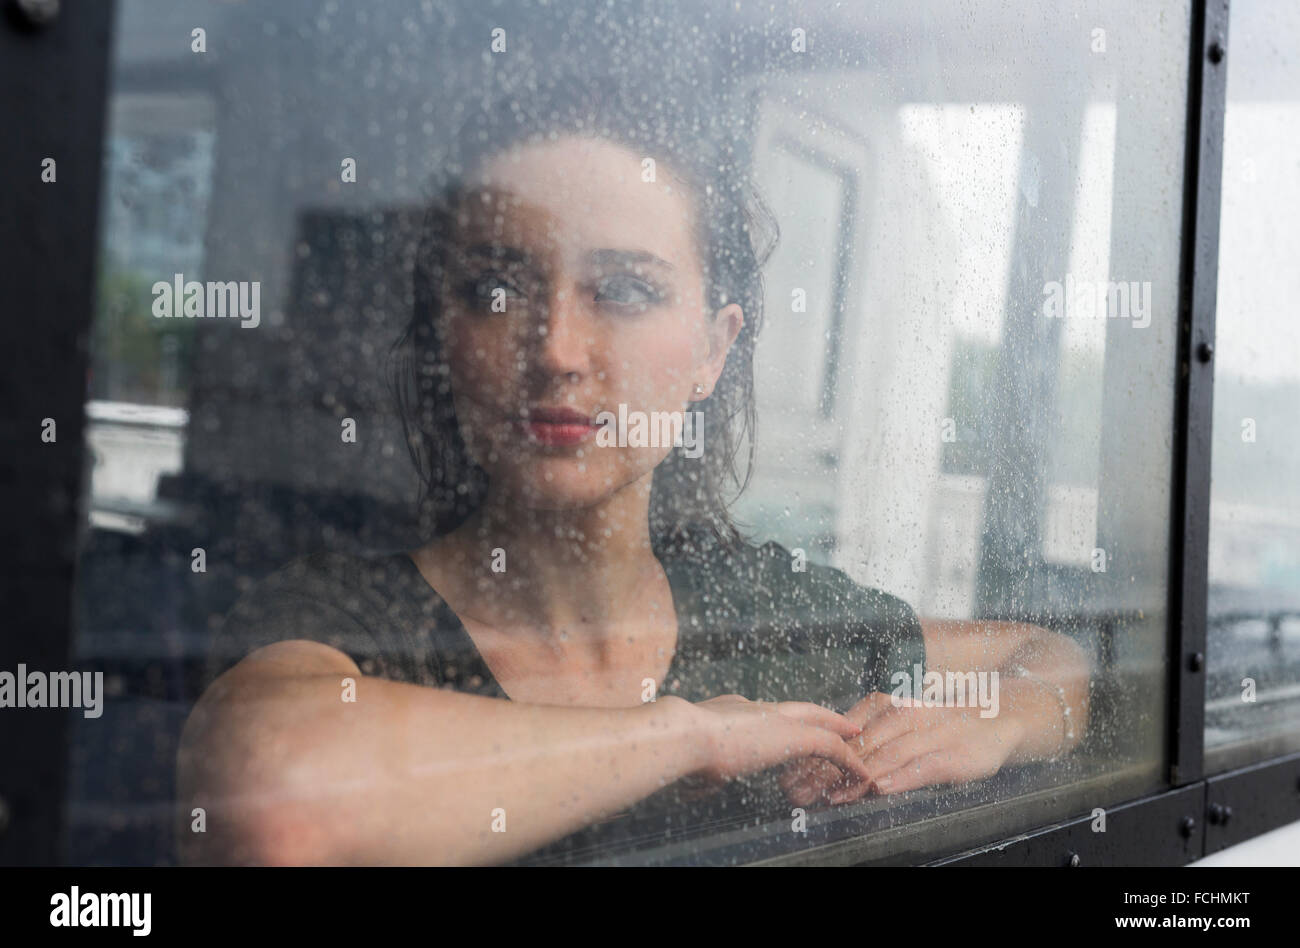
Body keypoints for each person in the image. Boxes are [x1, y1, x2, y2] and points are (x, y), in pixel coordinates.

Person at [177, 76, 1090, 866]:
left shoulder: (760, 611)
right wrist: (689, 735)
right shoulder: (352, 626)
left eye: (625, 289)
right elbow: (272, 804)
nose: (559, 351)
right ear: (444, 336)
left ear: (712, 351)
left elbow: (1051, 654)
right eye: (497, 290)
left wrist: (999, 720)